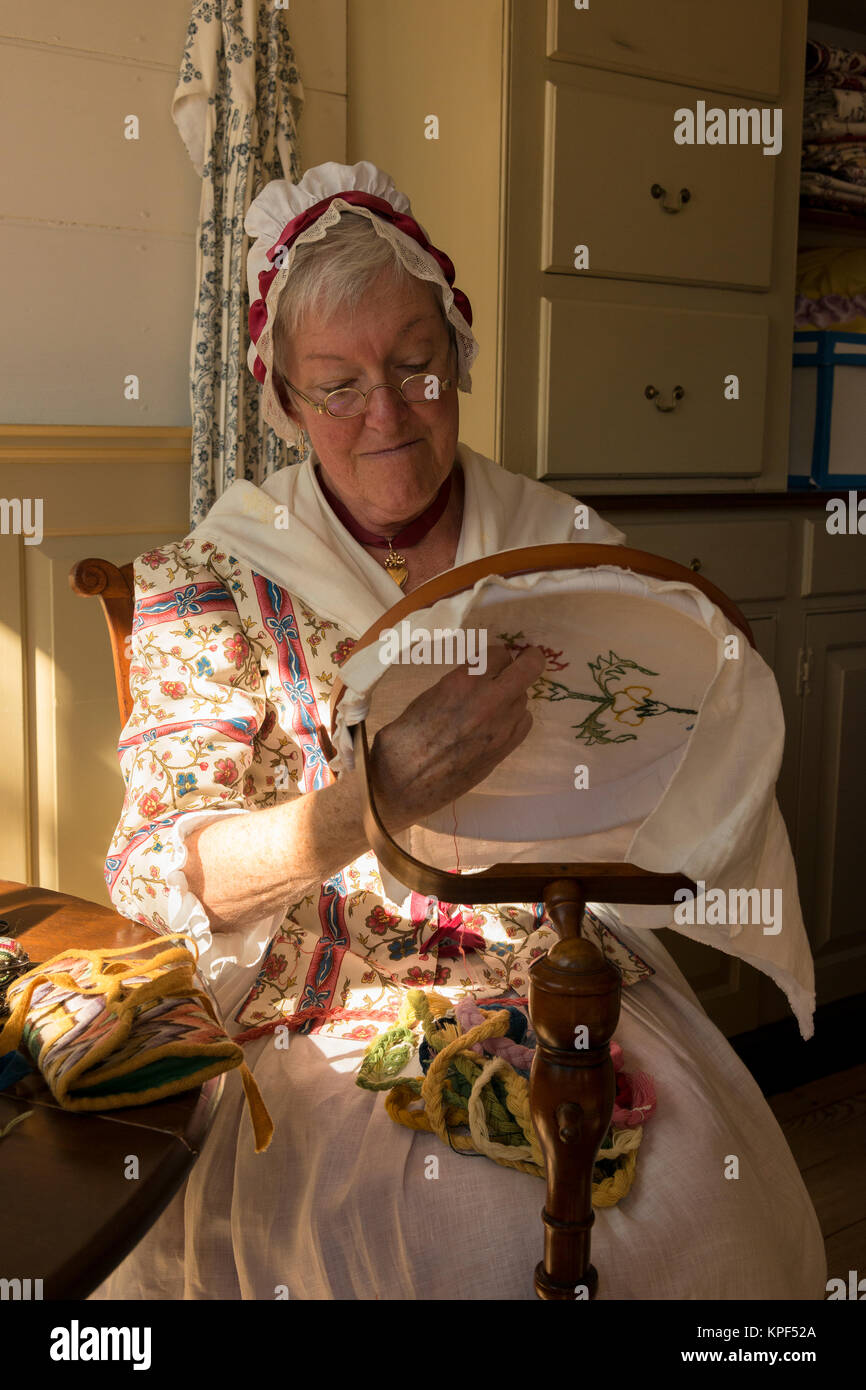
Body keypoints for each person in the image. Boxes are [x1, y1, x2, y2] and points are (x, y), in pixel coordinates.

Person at [90, 162, 827, 1301]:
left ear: (459, 356)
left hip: (558, 963)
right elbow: (157, 875)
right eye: (334, 386)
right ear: (280, 401)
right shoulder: (212, 581)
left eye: (414, 367)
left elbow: (675, 776)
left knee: (702, 1216)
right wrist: (372, 795)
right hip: (321, 998)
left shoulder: (562, 547)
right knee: (462, 1254)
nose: (382, 416)